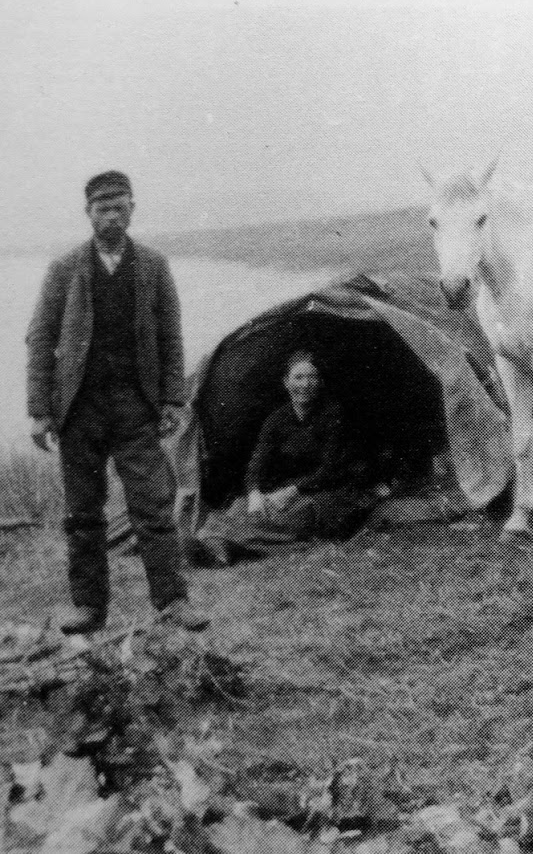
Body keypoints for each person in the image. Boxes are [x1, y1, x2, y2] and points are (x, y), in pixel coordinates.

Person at [26, 170, 206, 634]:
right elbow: (41, 338)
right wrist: (39, 411)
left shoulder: (153, 266)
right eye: (102, 208)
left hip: (134, 406)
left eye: (120, 206)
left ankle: (172, 602)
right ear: (88, 213)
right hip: (78, 409)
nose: (112, 216)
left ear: (132, 209)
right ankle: (88, 607)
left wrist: (172, 399)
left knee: (152, 504)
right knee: (83, 512)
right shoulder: (65, 269)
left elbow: (170, 335)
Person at [192, 350, 373, 564]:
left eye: (312, 377)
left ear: (321, 382)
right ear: (286, 383)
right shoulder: (277, 419)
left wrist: (291, 492)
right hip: (290, 488)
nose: (305, 384)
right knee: (242, 505)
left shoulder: (334, 415)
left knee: (291, 515)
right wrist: (254, 492)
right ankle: (213, 541)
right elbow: (257, 463)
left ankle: (222, 547)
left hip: (329, 490)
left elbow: (329, 469)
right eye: (298, 377)